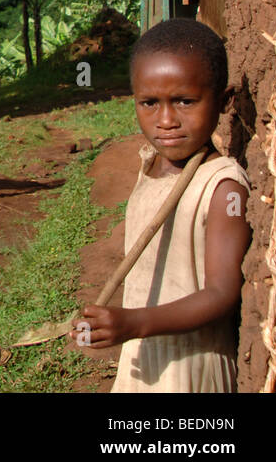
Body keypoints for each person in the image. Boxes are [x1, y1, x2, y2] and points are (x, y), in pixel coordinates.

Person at [77, 19, 250, 392]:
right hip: (142, 360)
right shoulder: (149, 166)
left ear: (224, 101)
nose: (166, 121)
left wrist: (134, 323)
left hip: (190, 367)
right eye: (149, 103)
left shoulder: (222, 187)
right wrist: (128, 326)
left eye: (185, 101)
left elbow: (222, 293)